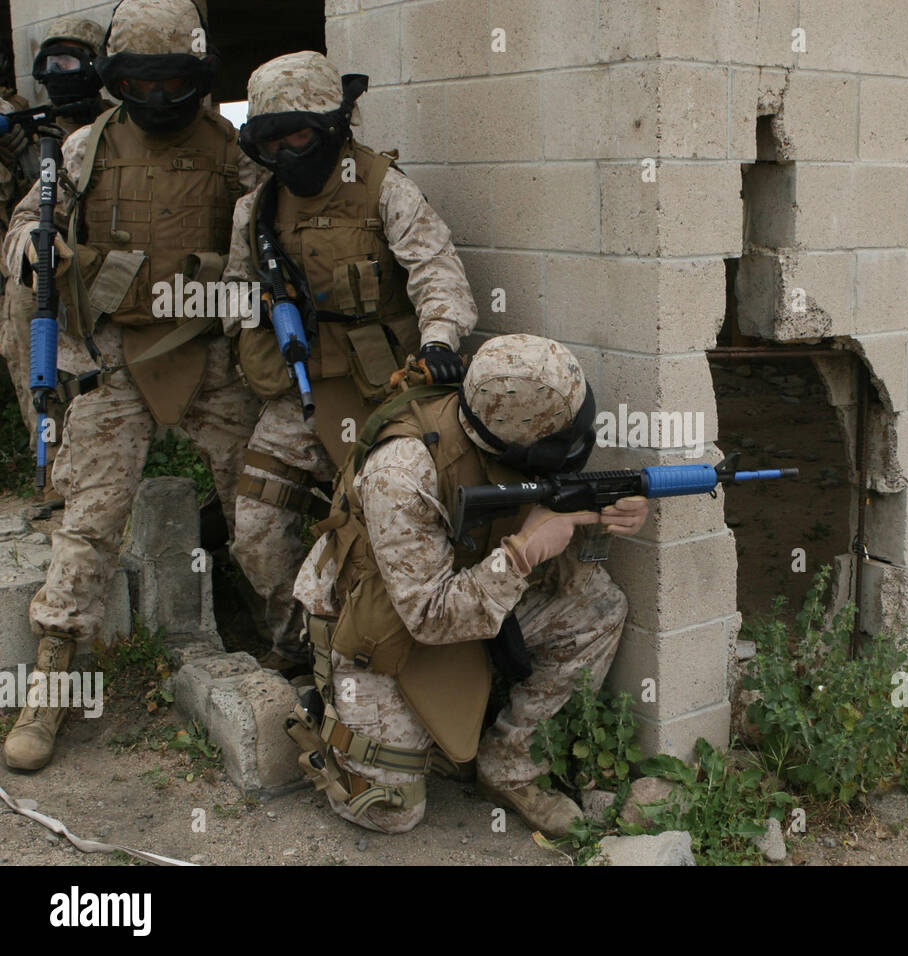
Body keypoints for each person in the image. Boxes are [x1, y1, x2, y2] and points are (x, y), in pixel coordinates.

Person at [0, 0, 262, 772]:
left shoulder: (232, 150)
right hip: (114, 354)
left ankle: (292, 647)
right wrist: (34, 246)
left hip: (207, 349)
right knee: (89, 519)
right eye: (139, 84)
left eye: (170, 83)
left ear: (197, 78)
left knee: (261, 507)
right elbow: (19, 227)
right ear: (117, 81)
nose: (155, 100)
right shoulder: (85, 148)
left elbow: (275, 224)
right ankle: (50, 687)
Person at [288, 334, 647, 836]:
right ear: (517, 440)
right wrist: (522, 554)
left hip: (466, 583)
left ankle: (509, 767)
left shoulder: (496, 412)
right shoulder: (402, 472)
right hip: (377, 621)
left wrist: (607, 509)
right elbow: (428, 617)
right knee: (390, 809)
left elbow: (531, 498)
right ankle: (321, 711)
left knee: (597, 608)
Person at [223, 51, 478, 677]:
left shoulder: (384, 187)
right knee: (255, 521)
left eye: (300, 136)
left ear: (335, 125)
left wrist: (440, 342)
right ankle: (297, 644)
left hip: (383, 392)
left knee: (391, 532)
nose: (287, 153)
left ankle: (388, 657)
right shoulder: (254, 211)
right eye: (272, 141)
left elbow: (436, 272)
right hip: (300, 391)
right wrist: (257, 308)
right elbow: (230, 289)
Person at [0, 16, 114, 493]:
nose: (58, 70)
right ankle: (47, 465)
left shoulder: (116, 126)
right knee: (25, 335)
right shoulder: (28, 129)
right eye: (50, 63)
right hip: (49, 264)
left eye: (70, 60)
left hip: (106, 265)